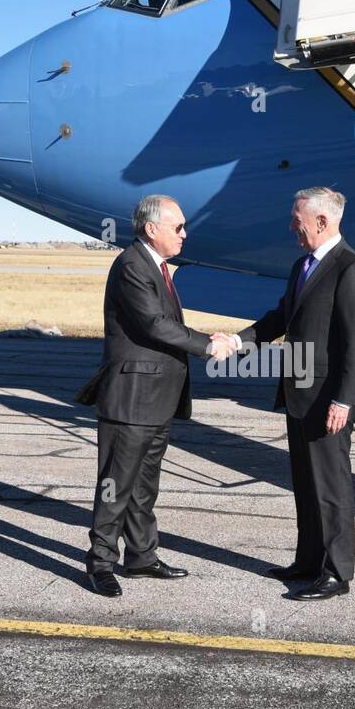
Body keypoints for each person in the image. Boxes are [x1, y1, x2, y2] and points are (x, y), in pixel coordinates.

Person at [219, 188, 355, 601]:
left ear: (322, 222)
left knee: (331, 486)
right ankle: (308, 561)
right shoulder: (302, 266)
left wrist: (344, 400)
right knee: (306, 485)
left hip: (328, 401)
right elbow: (280, 317)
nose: (293, 226)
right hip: (299, 393)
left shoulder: (350, 268)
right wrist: (239, 341)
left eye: (298, 220)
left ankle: (336, 572)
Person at [76, 195, 231, 598]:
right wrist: (207, 345)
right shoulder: (131, 266)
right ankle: (100, 563)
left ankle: (142, 556)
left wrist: (204, 339)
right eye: (178, 227)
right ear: (151, 229)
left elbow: (162, 325)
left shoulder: (157, 268)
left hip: (156, 399)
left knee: (144, 487)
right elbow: (153, 324)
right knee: (115, 486)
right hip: (131, 400)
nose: (184, 234)